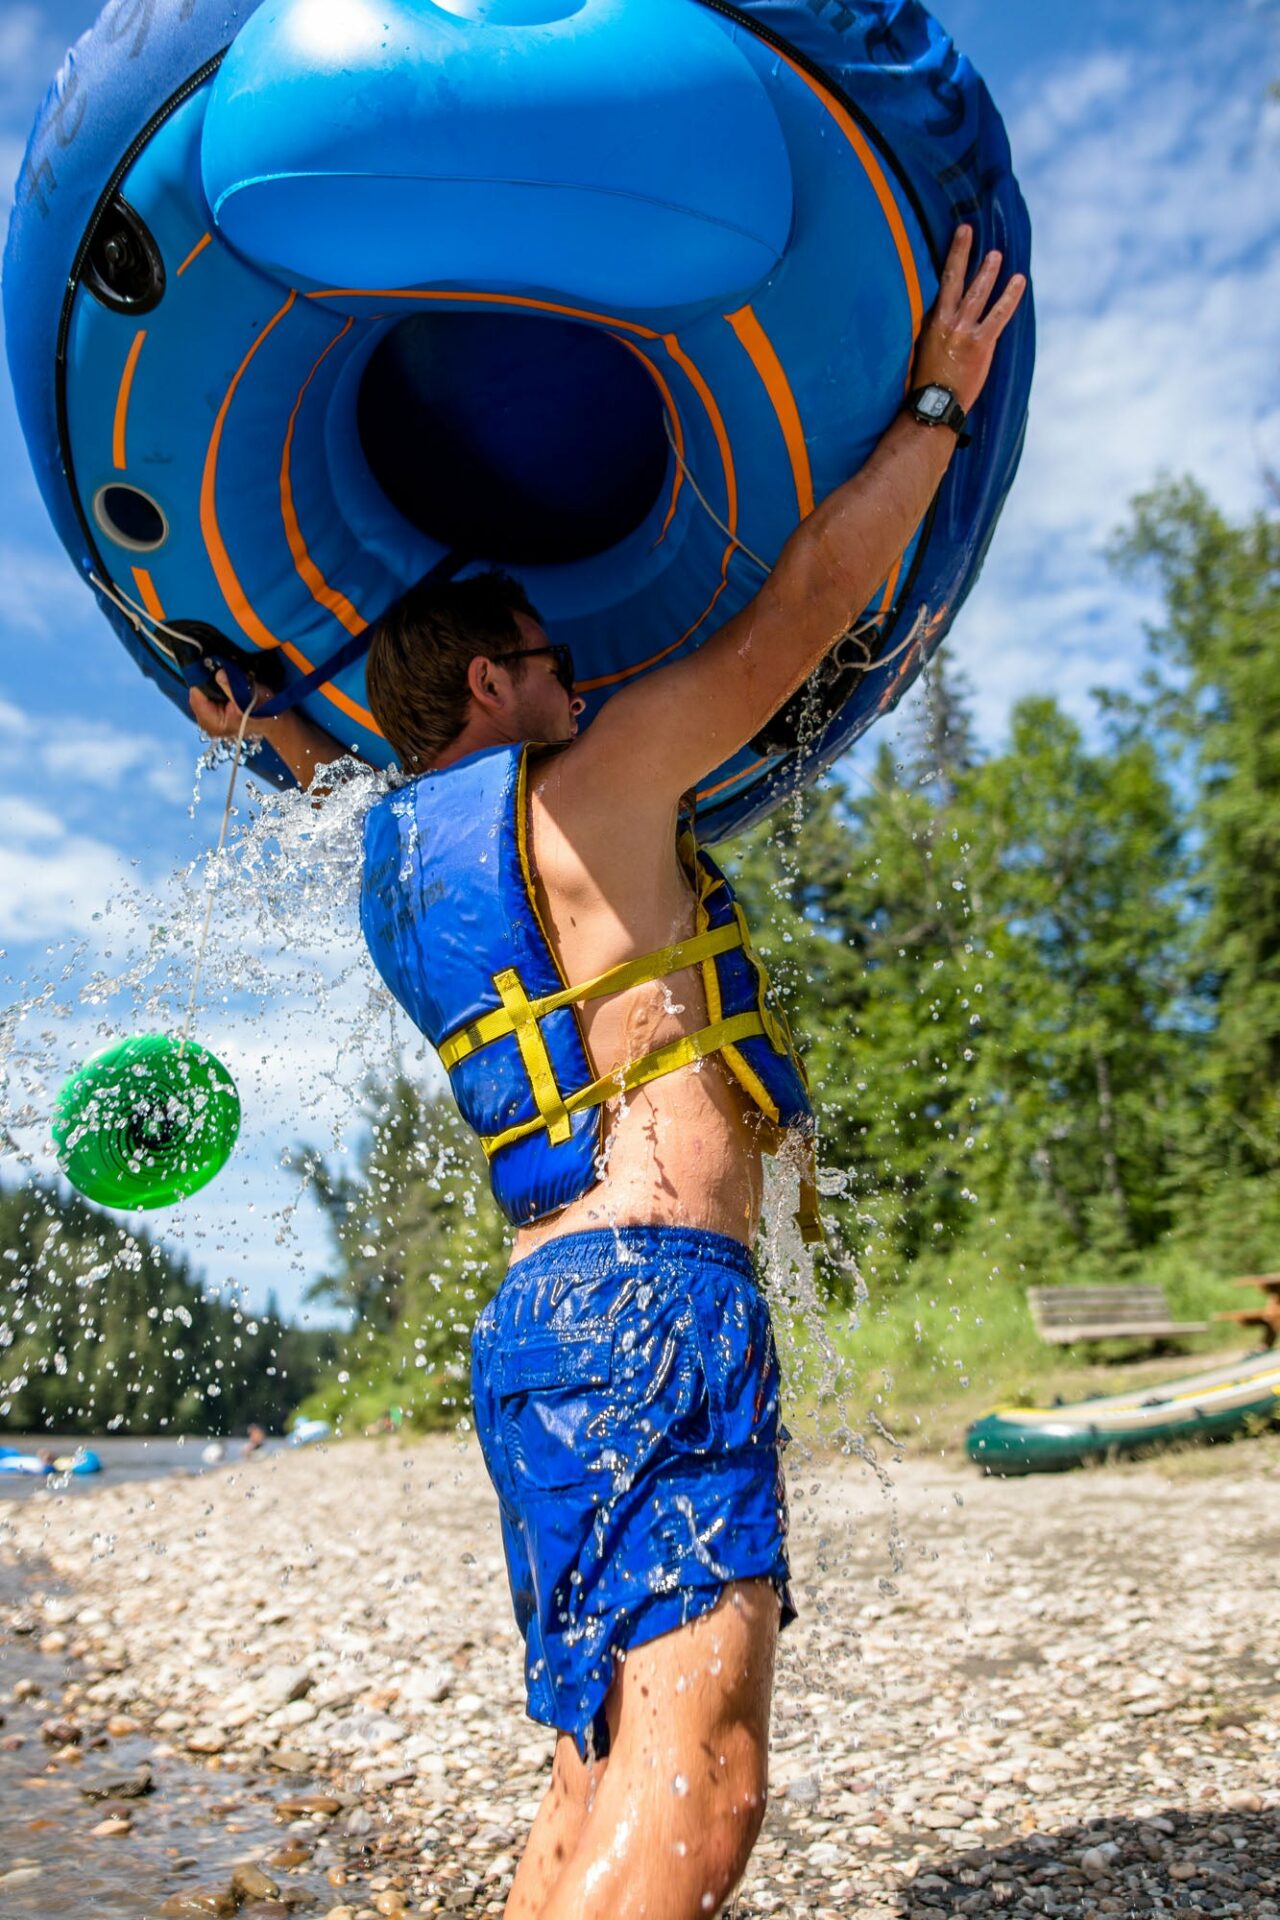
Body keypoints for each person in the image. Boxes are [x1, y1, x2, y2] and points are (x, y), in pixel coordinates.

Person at [192, 227, 1024, 1920]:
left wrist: (270, 732)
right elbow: (805, 608)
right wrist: (936, 401)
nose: (598, 679)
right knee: (698, 1796)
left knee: (597, 1773)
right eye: (561, 660)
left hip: (545, 1339)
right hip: (654, 1305)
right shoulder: (586, 784)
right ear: (493, 683)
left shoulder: (398, 859)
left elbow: (338, 779)